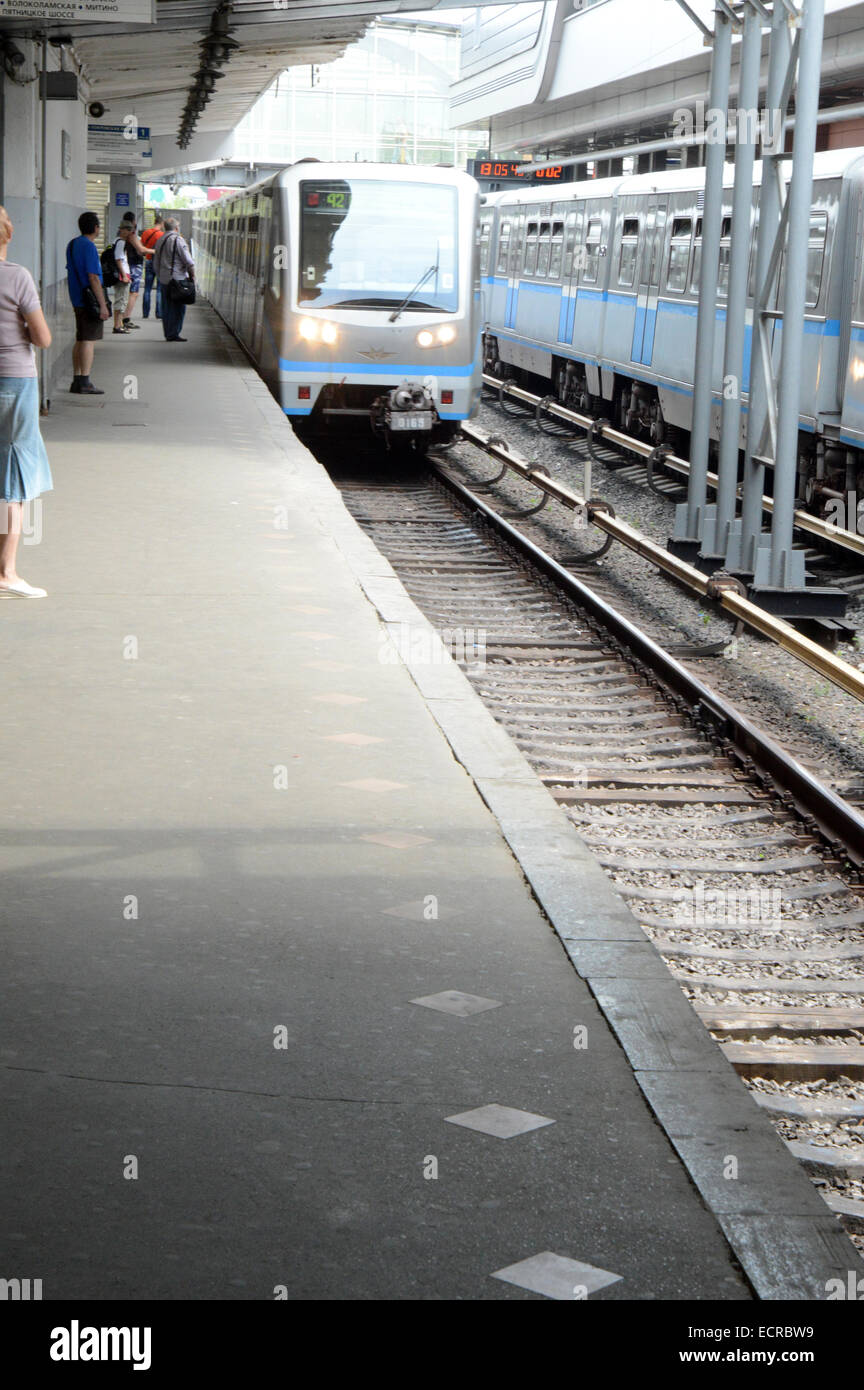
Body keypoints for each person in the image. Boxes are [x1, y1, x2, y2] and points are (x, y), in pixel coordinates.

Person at [0, 205, 53, 598]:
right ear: (9, 234)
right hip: (14, 382)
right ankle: (7, 573)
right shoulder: (17, 277)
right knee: (12, 476)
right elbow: (43, 338)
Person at [65, 209, 110, 395]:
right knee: (88, 341)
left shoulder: (73, 244)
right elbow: (93, 277)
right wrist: (103, 305)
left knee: (81, 338)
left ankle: (77, 379)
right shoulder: (89, 246)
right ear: (95, 228)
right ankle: (85, 381)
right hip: (89, 300)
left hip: (77, 297)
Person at [153, 217, 194, 342]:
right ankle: (174, 333)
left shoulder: (160, 240)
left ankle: (169, 333)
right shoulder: (178, 240)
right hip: (178, 279)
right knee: (179, 308)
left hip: (164, 279)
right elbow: (188, 261)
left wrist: (160, 275)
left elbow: (156, 261)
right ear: (176, 228)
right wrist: (192, 276)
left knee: (167, 308)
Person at [119, 211, 150, 329]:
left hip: (130, 264)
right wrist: (154, 251)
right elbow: (141, 250)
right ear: (132, 221)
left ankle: (123, 318)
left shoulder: (123, 233)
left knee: (129, 293)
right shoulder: (131, 235)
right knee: (134, 293)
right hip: (134, 265)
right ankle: (125, 318)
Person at [140, 213, 164, 320]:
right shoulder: (162, 235)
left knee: (147, 289)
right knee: (159, 289)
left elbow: (141, 247)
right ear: (161, 224)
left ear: (154, 222)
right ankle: (159, 313)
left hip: (149, 261)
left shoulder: (146, 233)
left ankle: (145, 313)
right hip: (159, 263)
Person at [112, 225, 133, 335]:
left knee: (121, 300)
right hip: (122, 275)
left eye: (131, 230)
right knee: (121, 300)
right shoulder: (121, 242)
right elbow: (118, 259)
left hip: (122, 274)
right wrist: (124, 275)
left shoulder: (116, 241)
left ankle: (119, 325)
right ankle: (117, 326)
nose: (130, 232)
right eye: (128, 229)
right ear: (121, 229)